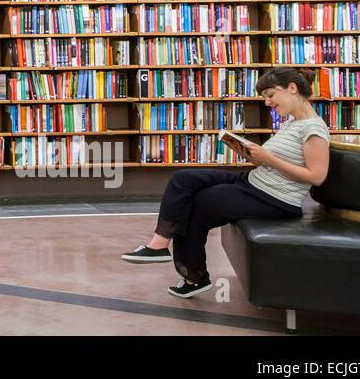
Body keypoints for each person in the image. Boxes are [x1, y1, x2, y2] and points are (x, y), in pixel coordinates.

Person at [121, 67, 330, 299]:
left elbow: (316, 176)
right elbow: (274, 162)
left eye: (270, 95)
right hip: (255, 182)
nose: (268, 103)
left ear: (292, 88)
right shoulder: (293, 123)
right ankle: (159, 243)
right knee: (184, 179)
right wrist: (251, 155)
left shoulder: (314, 129)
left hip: (275, 199)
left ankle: (194, 278)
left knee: (199, 203)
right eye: (265, 98)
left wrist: (267, 158)